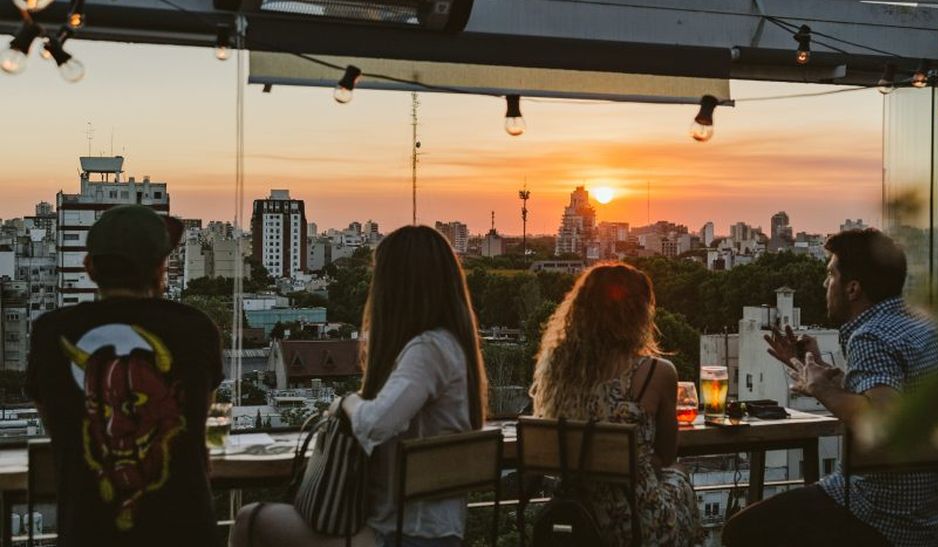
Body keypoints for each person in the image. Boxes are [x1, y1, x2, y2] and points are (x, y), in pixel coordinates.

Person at [230, 225, 489, 547]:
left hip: (405, 535)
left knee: (250, 521)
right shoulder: (451, 345)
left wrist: (344, 403)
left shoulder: (428, 349)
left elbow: (374, 423)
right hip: (433, 530)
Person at [722, 228, 938, 547]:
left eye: (831, 274)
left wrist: (823, 391)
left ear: (853, 288)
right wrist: (813, 367)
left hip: (885, 514)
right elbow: (891, 396)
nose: (824, 284)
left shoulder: (870, 335)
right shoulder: (922, 327)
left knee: (741, 531)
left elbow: (885, 420)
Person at [26, 204, 223, 547]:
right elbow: (197, 423)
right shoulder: (195, 328)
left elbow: (58, 426)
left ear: (89, 267)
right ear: (161, 268)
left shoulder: (51, 332)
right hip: (186, 532)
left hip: (87, 533)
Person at [530, 262, 702, 547]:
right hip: (636, 525)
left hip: (576, 521)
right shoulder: (656, 373)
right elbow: (667, 453)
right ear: (639, 314)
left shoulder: (557, 371)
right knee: (679, 475)